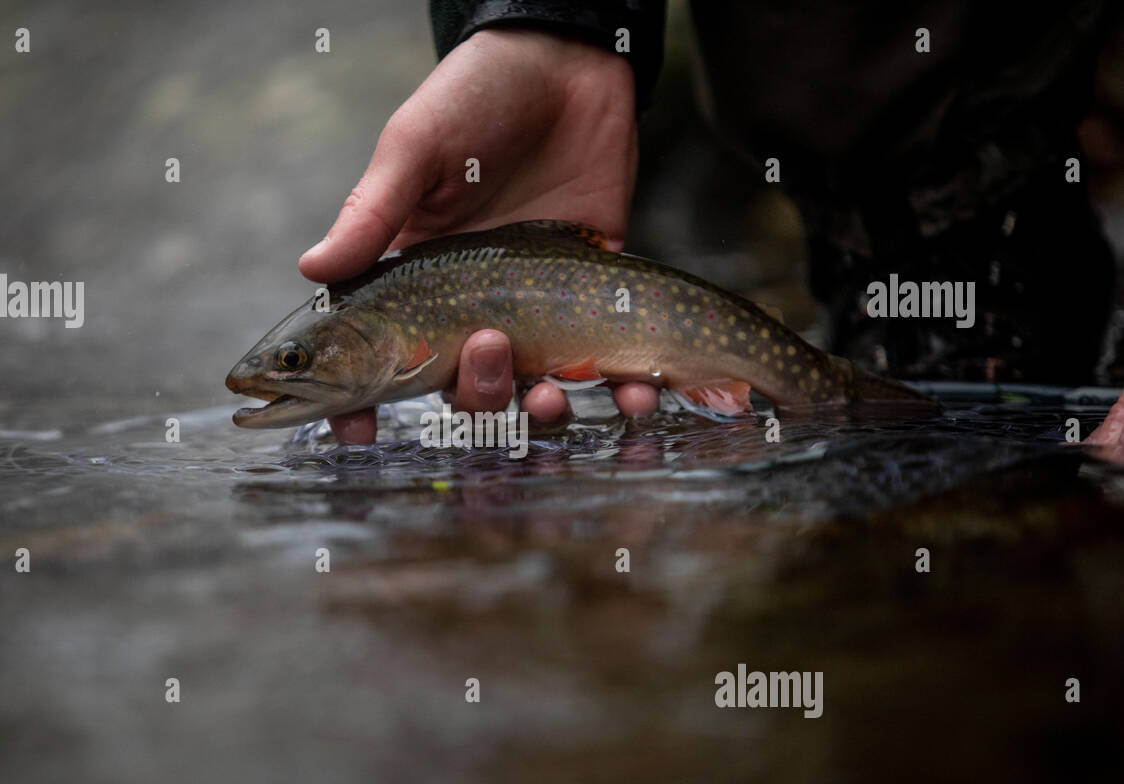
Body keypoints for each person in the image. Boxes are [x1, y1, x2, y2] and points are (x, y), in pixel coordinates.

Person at [296, 1, 1124, 451]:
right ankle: (912, 282)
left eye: (295, 361)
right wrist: (546, 19)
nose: (281, 374)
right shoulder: (390, 310)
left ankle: (976, 256)